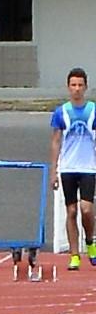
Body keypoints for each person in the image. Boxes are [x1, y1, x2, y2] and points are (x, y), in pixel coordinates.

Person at [49, 67, 96, 270]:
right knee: (71, 211)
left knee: (86, 209)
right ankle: (74, 254)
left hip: (88, 167)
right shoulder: (61, 112)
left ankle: (90, 241)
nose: (77, 89)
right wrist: (54, 170)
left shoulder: (93, 111)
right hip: (68, 167)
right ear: (68, 87)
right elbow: (56, 141)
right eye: (73, 85)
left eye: (80, 85)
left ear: (85, 87)